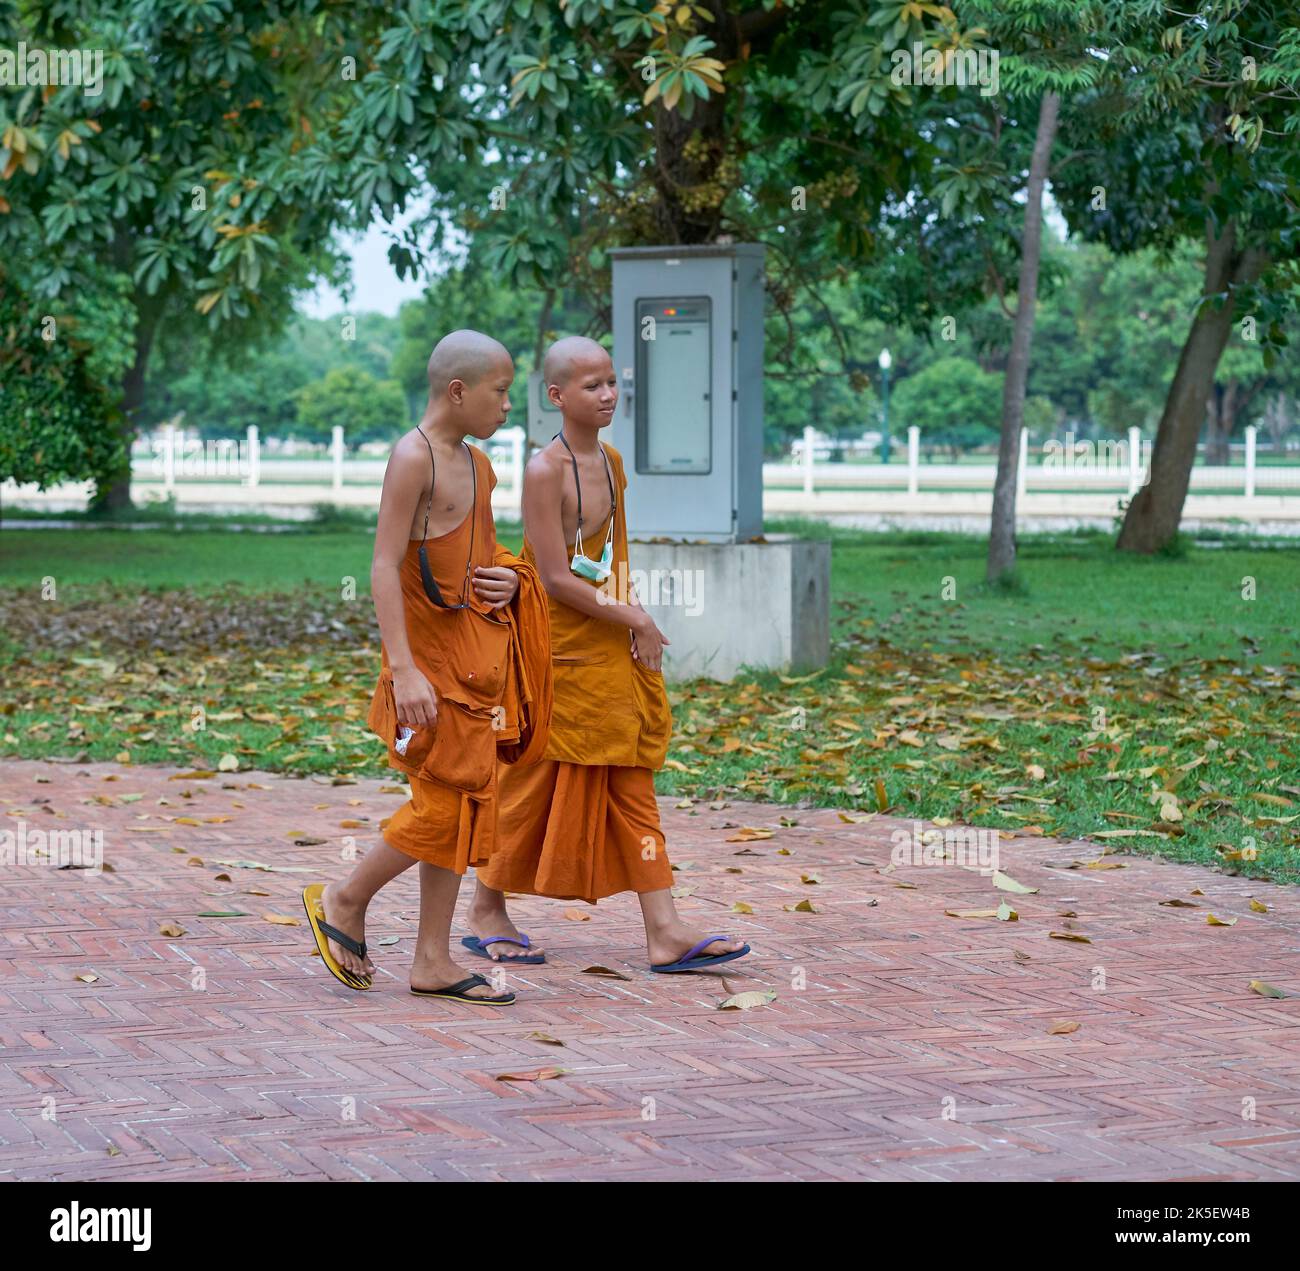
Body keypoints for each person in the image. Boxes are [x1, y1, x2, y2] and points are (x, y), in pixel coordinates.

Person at [465, 336, 750, 973]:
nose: (608, 395)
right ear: (557, 396)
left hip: (608, 647)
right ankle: (486, 907)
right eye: (591, 386)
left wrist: (626, 624)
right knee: (529, 786)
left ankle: (665, 931)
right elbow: (557, 576)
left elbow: (612, 555)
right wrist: (635, 617)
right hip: (556, 651)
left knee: (630, 781)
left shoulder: (614, 463)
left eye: (612, 383)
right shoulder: (546, 471)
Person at [302, 329, 551, 1005]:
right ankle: (345, 897)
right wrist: (402, 669)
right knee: (443, 805)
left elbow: (486, 552)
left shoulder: (478, 465)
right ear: (458, 390)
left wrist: (508, 578)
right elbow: (384, 564)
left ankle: (433, 959)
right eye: (500, 392)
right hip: (429, 670)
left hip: (475, 664)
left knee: (465, 803)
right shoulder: (414, 458)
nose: (508, 406)